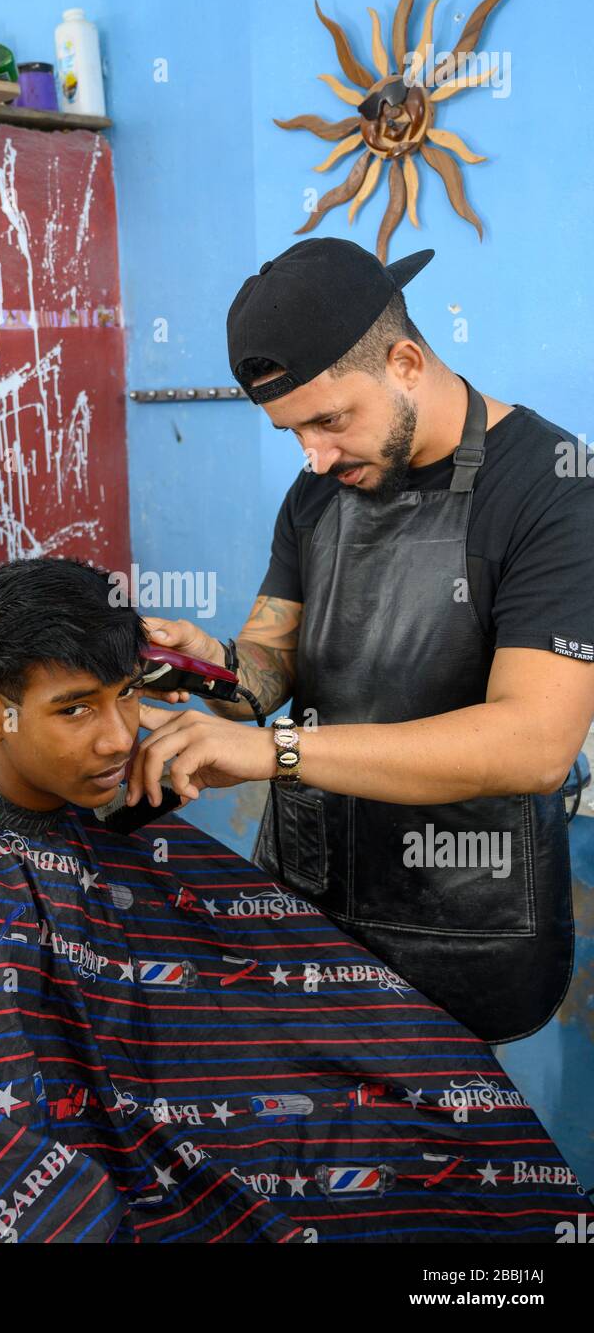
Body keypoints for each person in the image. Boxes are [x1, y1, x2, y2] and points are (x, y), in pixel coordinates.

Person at [0, 557, 588, 1244]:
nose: (116, 738)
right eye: (75, 710)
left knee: (447, 1094)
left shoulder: (76, 792)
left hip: (218, 1087)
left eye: (129, 694)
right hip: (143, 1164)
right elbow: (14, 1185)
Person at [124, 236, 594, 1044]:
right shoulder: (320, 491)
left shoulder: (555, 489)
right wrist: (199, 669)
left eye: (330, 421)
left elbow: (534, 746)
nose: (314, 454)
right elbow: (267, 672)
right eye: (292, 433)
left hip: (465, 920)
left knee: (458, 1160)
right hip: (311, 904)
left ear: (406, 362)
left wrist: (277, 754)